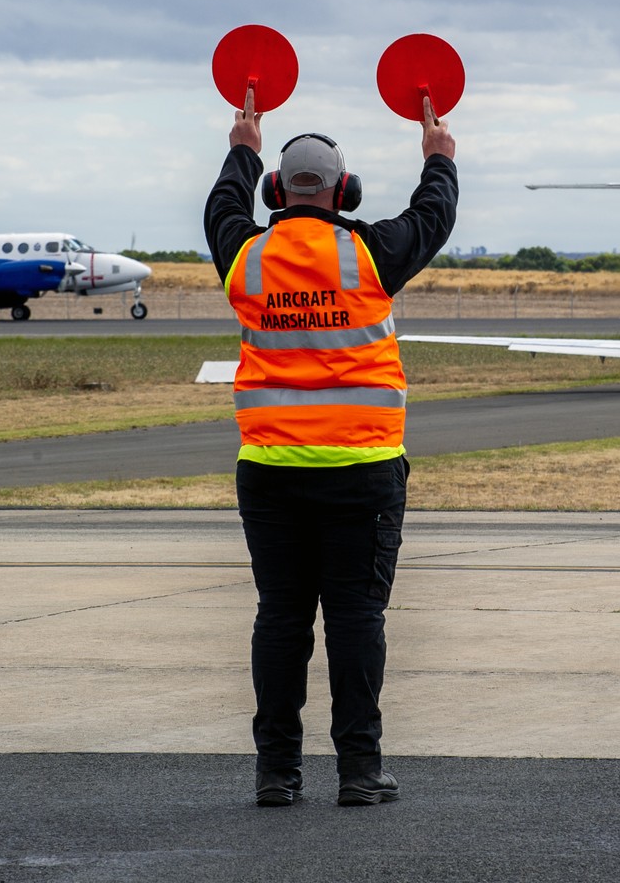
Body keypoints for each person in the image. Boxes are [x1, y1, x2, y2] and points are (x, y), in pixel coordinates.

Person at [204, 86, 457, 807]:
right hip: (363, 470)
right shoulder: (370, 254)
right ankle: (359, 771)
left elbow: (222, 209)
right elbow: (432, 217)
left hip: (270, 471)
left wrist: (243, 145)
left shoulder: (246, 259)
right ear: (345, 191)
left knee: (281, 619)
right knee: (355, 620)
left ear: (277, 191)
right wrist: (437, 157)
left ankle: (276, 773)